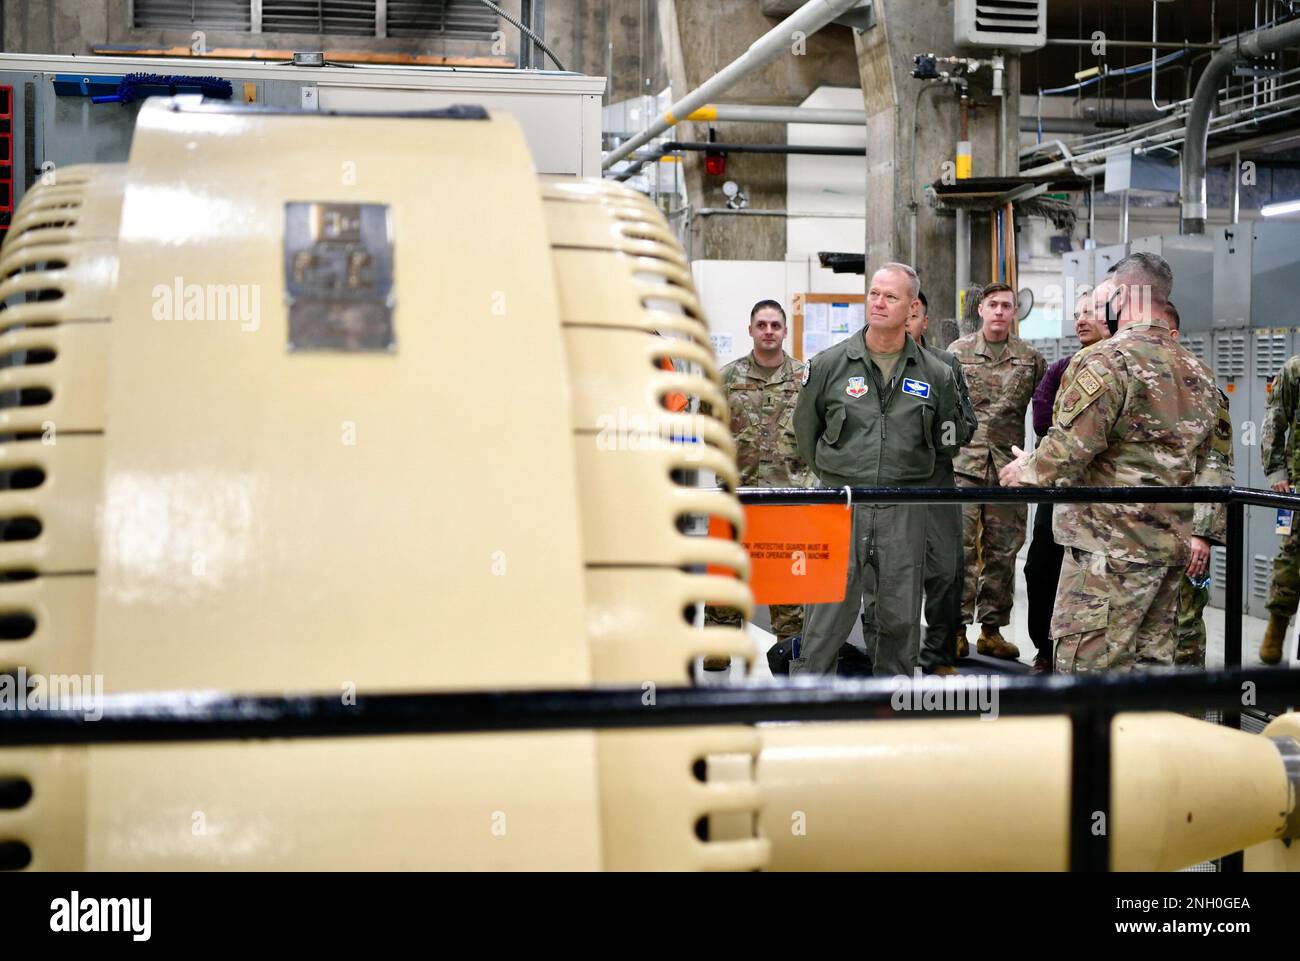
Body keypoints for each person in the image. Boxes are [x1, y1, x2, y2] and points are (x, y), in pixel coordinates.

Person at [999, 252, 1219, 673]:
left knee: (1090, 674)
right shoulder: (1199, 371)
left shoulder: (1105, 360)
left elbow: (1066, 453)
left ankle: (1100, 743)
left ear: (1122, 295)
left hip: (1106, 555)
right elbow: (1206, 460)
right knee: (1152, 672)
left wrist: (1024, 469)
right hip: (1168, 550)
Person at [791, 263, 967, 676]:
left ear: (911, 309)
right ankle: (805, 699)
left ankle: (894, 702)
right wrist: (837, 475)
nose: (879, 302)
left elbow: (947, 438)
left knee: (899, 613)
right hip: (841, 503)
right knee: (826, 613)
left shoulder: (937, 373)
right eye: (874, 294)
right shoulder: (830, 365)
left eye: (891, 296)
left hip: (903, 506)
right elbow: (805, 429)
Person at [858, 290, 977, 675]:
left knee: (944, 571)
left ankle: (938, 654)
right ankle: (884, 656)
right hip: (886, 487)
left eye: (913, 316)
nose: (906, 323)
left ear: (922, 321)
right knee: (883, 577)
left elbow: (964, 425)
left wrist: (931, 438)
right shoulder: (866, 365)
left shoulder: (944, 366)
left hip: (935, 483)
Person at [704, 300, 813, 669]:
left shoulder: (807, 378)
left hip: (788, 496)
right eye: (762, 325)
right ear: (750, 329)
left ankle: (790, 646)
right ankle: (719, 643)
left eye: (775, 325)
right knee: (727, 571)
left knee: (788, 578)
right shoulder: (725, 378)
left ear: (785, 331)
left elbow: (822, 430)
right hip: (737, 494)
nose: (768, 331)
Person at [949, 283, 1046, 661]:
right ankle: (955, 629)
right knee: (958, 551)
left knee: (1003, 550)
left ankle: (992, 629)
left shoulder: (1030, 358)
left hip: (1009, 468)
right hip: (964, 465)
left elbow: (1045, 409)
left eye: (1007, 306)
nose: (1001, 312)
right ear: (981, 310)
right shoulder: (956, 354)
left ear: (1014, 312)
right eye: (994, 305)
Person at [1022, 288, 1112, 673]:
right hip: (1058, 484)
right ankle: (1046, 649)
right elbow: (1043, 421)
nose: (1081, 319)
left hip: (1104, 494)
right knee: (1041, 565)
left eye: (1090, 311)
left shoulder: (1117, 367)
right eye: (1077, 313)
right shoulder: (1061, 369)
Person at [1163, 300, 1234, 668]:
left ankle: (1186, 720)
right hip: (1131, 535)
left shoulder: (1203, 390)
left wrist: (1202, 535)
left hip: (1183, 530)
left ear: (1171, 335)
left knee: (1185, 631)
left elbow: (1217, 464)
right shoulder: (1126, 381)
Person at [1256, 331, 1300, 665]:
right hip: (1298, 487)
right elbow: (1274, 420)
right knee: (1291, 560)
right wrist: (1277, 474)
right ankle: (1277, 625)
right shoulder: (1294, 370)